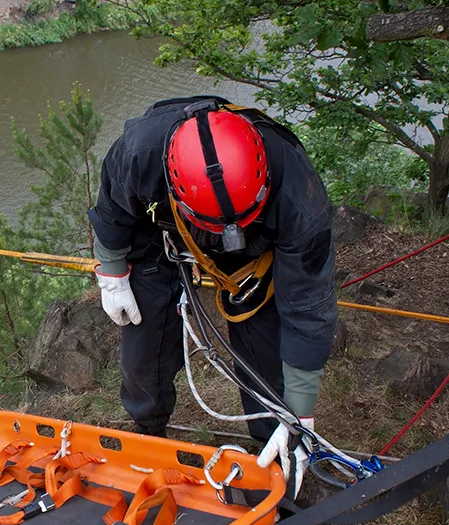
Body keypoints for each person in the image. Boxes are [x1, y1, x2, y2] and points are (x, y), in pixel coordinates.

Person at [87, 95, 338, 498]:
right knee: (144, 336)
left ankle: (276, 437)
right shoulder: (139, 156)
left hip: (256, 247)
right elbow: (113, 210)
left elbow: (307, 308)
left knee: (262, 336)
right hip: (162, 228)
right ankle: (148, 431)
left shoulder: (297, 197)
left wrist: (300, 411)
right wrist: (112, 271)